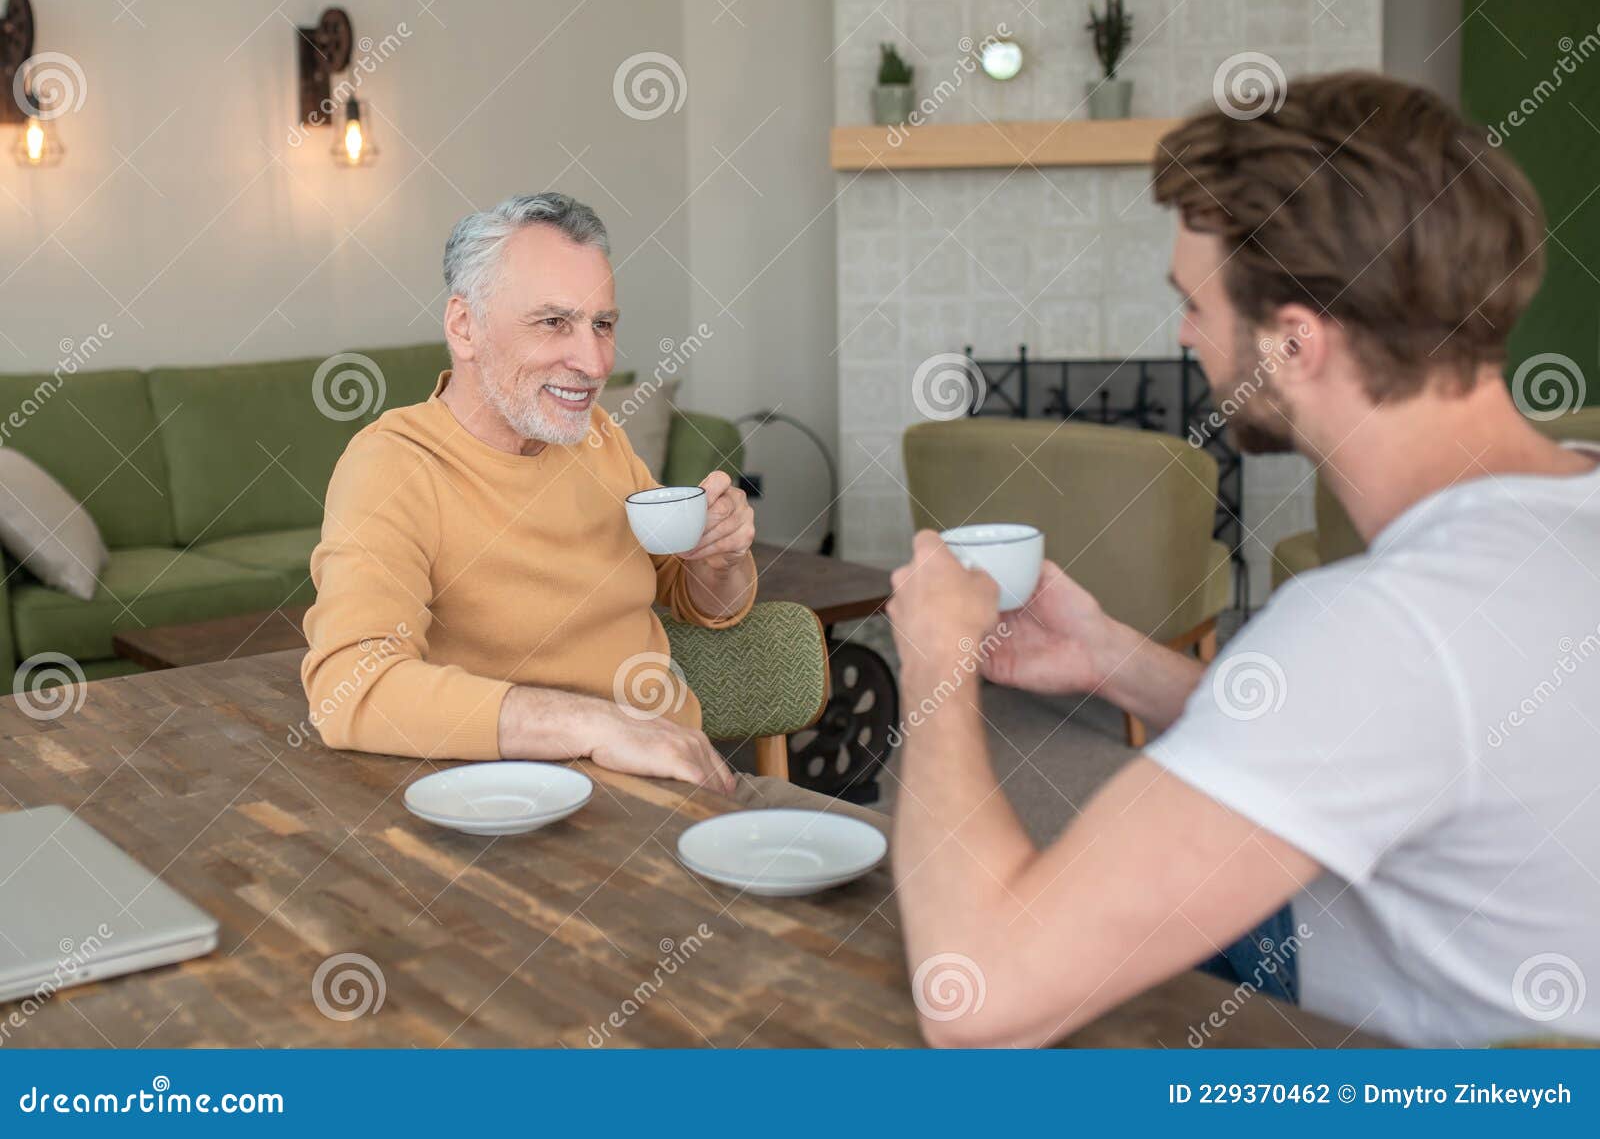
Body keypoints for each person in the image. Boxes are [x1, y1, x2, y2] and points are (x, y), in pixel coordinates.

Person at [885, 72, 1600, 1048]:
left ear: (1294, 342)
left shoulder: (1389, 622)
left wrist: (933, 660)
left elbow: (977, 996)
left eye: (1192, 303)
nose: (1184, 335)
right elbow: (1377, 732)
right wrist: (1112, 657)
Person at [301, 193, 755, 795]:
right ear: (465, 326)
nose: (594, 362)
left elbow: (708, 604)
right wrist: (596, 725)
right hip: (517, 803)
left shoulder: (598, 439)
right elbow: (350, 689)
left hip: (674, 776)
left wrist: (722, 559)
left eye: (603, 324)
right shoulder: (393, 466)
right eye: (552, 323)